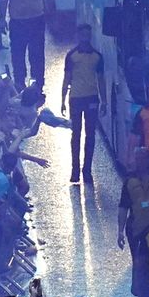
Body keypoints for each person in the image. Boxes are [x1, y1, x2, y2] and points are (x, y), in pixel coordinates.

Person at [62, 23, 106, 184]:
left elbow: (101, 80)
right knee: (76, 134)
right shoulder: (72, 56)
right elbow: (67, 78)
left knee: (90, 135)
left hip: (91, 97)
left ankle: (86, 171)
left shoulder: (97, 57)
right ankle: (75, 170)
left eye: (87, 35)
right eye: (83, 34)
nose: (85, 38)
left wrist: (104, 100)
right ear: (79, 36)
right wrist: (63, 99)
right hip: (76, 98)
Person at [4, 0, 53, 91]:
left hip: (36, 20)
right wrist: (1, 19)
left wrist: (52, 15)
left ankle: (38, 83)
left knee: (37, 53)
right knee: (18, 54)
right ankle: (19, 82)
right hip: (18, 22)